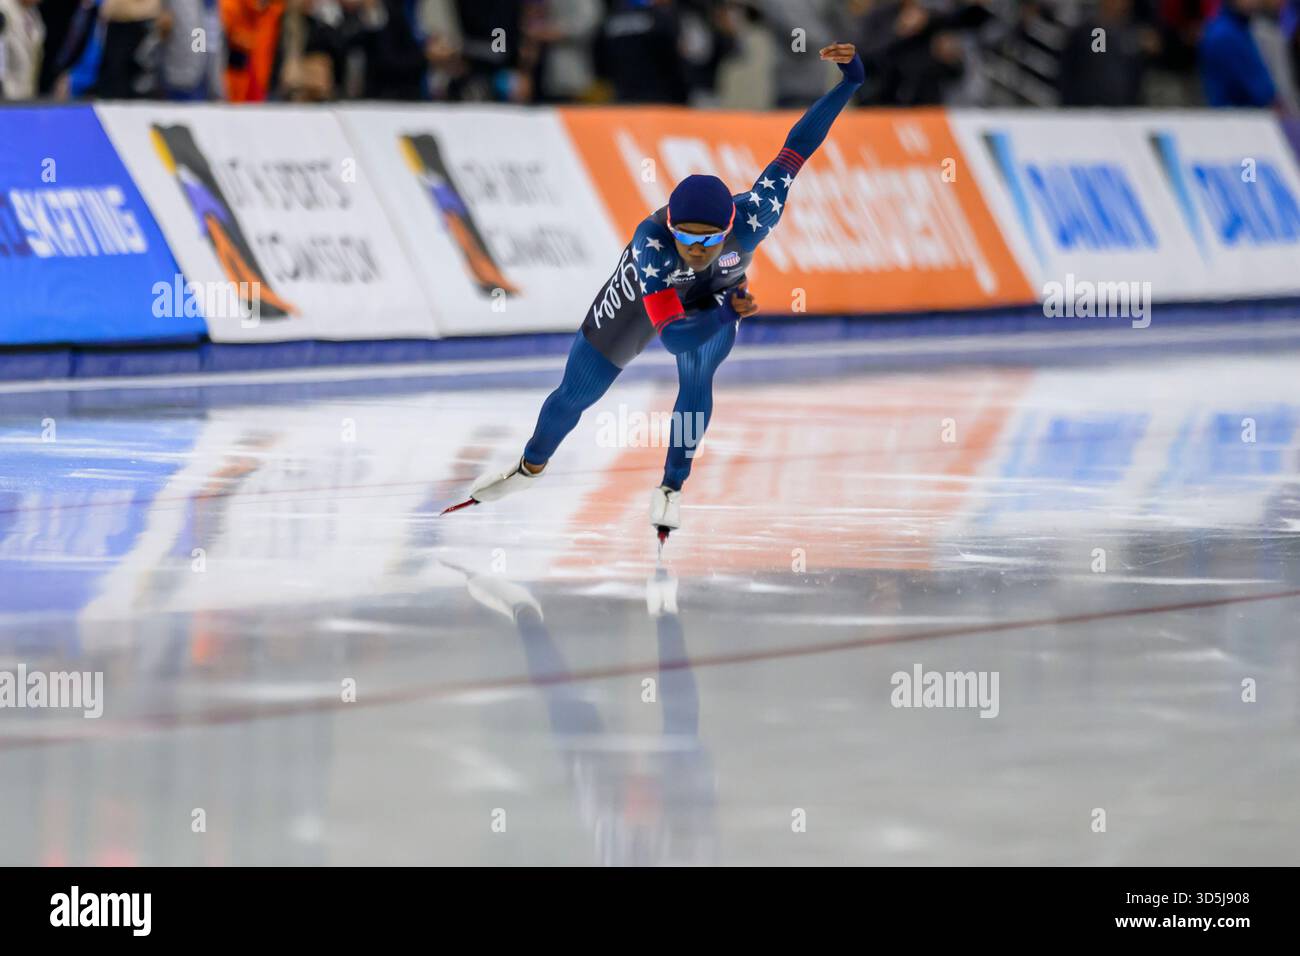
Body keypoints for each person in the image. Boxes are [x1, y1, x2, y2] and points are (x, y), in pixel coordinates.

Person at [463, 42, 865, 539]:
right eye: (686, 237)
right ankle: (530, 467)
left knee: (697, 383)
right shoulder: (652, 247)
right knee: (576, 393)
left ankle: (671, 487)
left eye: (708, 239)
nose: (696, 249)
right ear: (669, 226)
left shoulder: (758, 214)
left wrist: (849, 83)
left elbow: (796, 148)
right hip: (642, 299)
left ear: (730, 227)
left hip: (717, 295)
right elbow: (672, 336)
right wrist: (724, 315)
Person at [1200, 0, 1278, 107]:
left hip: (1243, 113)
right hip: (1237, 116)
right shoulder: (1225, 34)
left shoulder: (1242, 27)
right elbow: (1260, 90)